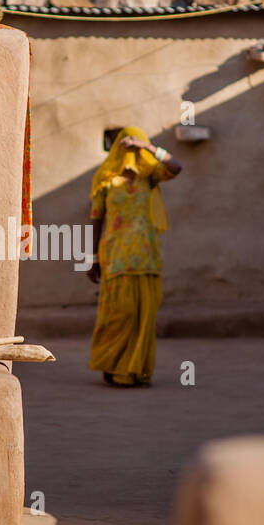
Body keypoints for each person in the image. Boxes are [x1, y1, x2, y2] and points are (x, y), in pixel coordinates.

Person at [87, 127, 182, 386]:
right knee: (119, 315)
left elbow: (176, 167)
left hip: (147, 258)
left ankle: (137, 371)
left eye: (135, 147)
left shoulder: (149, 177)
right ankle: (113, 366)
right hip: (116, 258)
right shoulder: (106, 180)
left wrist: (148, 147)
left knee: (145, 317)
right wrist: (91, 258)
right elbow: (96, 219)